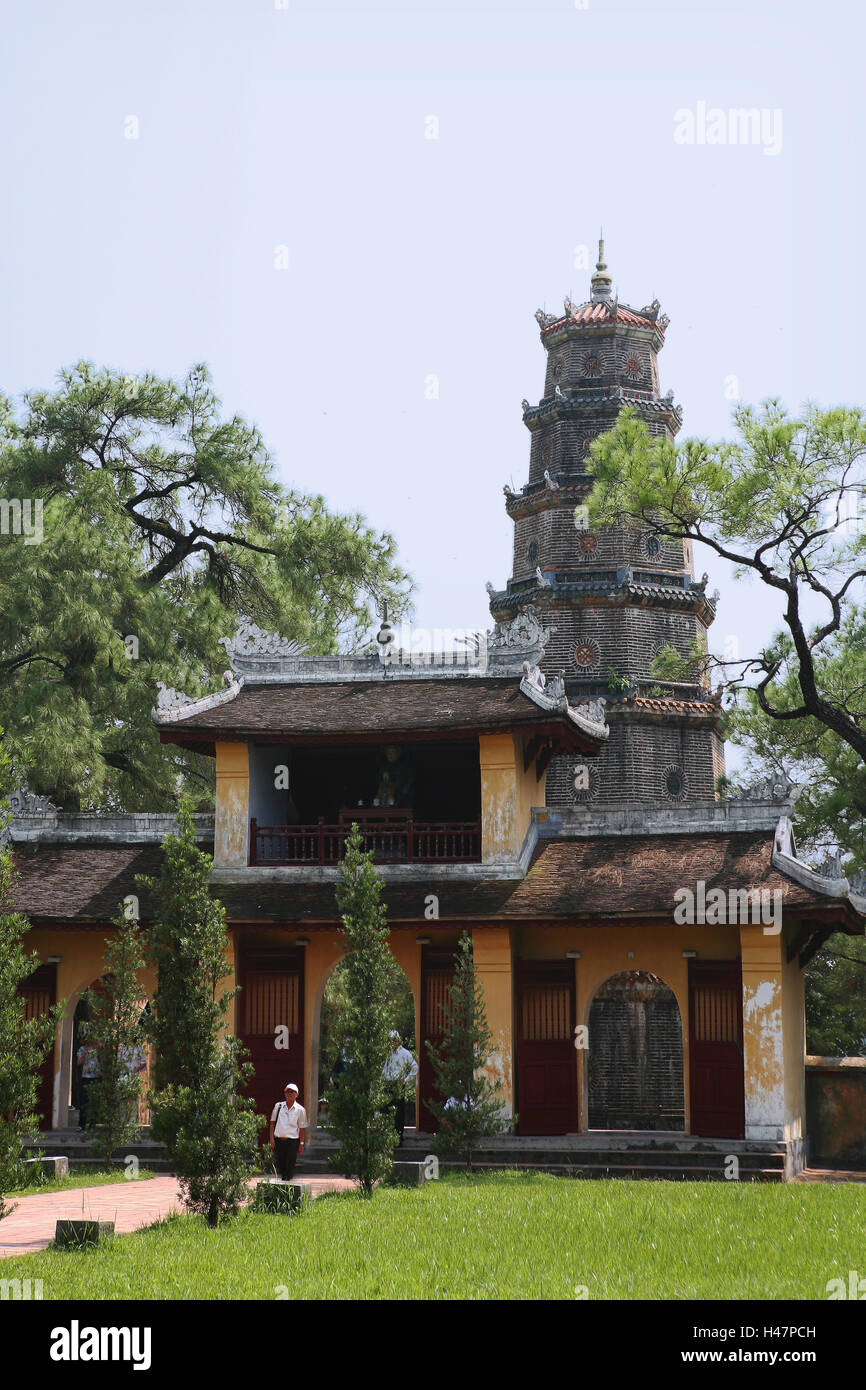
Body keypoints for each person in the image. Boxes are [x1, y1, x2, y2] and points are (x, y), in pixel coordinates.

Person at [383, 1031, 418, 1145]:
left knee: (399, 1112)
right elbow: (385, 1069)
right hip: (388, 1084)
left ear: (398, 1041)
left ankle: (398, 1139)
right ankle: (388, 1138)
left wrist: (406, 1080)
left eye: (393, 1041)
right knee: (387, 1111)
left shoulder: (405, 1054)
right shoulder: (388, 1053)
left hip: (399, 1084)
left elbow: (415, 1067)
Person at [268, 1083, 308, 1181]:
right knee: (280, 1165)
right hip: (279, 1140)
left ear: (296, 1094)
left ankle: (288, 1185)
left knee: (290, 1165)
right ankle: (283, 1185)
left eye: (292, 1092)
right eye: (287, 1091)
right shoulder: (278, 1106)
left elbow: (302, 1128)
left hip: (292, 1141)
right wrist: (272, 1139)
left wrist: (301, 1143)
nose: (289, 1094)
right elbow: (272, 1124)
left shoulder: (300, 1110)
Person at [75, 1039, 101, 1130]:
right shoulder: (82, 1049)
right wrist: (84, 1054)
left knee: (94, 1101)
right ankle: (82, 1124)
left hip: (96, 1077)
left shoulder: (98, 1048)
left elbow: (103, 1060)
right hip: (86, 1077)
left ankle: (92, 1124)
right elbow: (78, 1062)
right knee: (84, 1101)